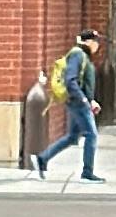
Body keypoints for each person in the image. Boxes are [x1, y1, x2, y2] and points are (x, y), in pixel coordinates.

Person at [37, 28, 106, 183]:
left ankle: (43, 158)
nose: (97, 46)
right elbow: (71, 80)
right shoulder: (77, 55)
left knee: (72, 137)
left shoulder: (82, 56)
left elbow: (83, 83)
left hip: (78, 101)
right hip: (78, 103)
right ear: (88, 42)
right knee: (91, 135)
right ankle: (87, 172)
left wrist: (91, 100)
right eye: (96, 42)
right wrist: (83, 100)